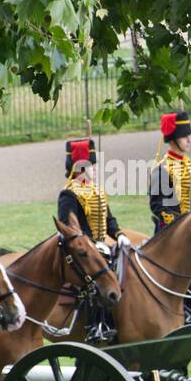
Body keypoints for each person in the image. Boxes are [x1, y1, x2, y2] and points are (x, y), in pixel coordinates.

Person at [58, 138, 123, 344]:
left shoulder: (97, 191)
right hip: (80, 250)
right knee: (95, 276)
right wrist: (92, 244)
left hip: (100, 245)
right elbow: (69, 228)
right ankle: (94, 326)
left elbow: (109, 220)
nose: (95, 169)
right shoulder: (69, 193)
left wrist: (120, 235)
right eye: (91, 165)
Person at [148, 110, 191, 231]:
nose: (189, 140)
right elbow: (158, 206)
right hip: (170, 230)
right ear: (173, 139)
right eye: (184, 137)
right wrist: (180, 223)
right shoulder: (161, 169)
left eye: (189, 136)